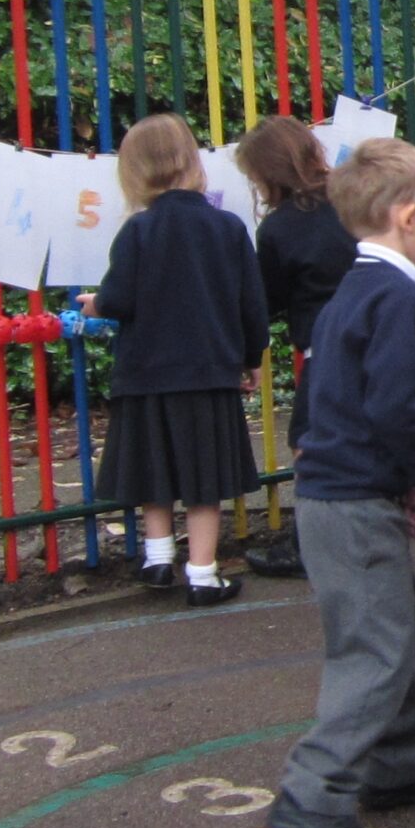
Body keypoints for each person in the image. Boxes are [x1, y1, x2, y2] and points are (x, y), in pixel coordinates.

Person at [271, 138, 415, 828]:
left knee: (402, 623)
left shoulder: (354, 285)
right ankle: (313, 790)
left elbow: (333, 396)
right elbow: (393, 404)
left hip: (343, 495)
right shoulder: (401, 293)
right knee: (375, 648)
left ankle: (395, 765)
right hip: (351, 502)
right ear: (408, 213)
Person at [80, 112, 268, 608]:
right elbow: (252, 306)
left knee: (154, 469)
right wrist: (250, 359)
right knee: (205, 479)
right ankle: (203, 574)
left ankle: (158, 557)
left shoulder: (138, 231)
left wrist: (95, 304)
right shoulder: (228, 228)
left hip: (145, 375)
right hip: (208, 373)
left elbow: (118, 298)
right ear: (192, 162)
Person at [234, 115, 358, 579]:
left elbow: (267, 300)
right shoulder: (352, 200)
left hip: (323, 348)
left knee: (308, 444)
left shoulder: (280, 229)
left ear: (268, 176)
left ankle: (309, 542)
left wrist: (247, 351)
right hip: (376, 332)